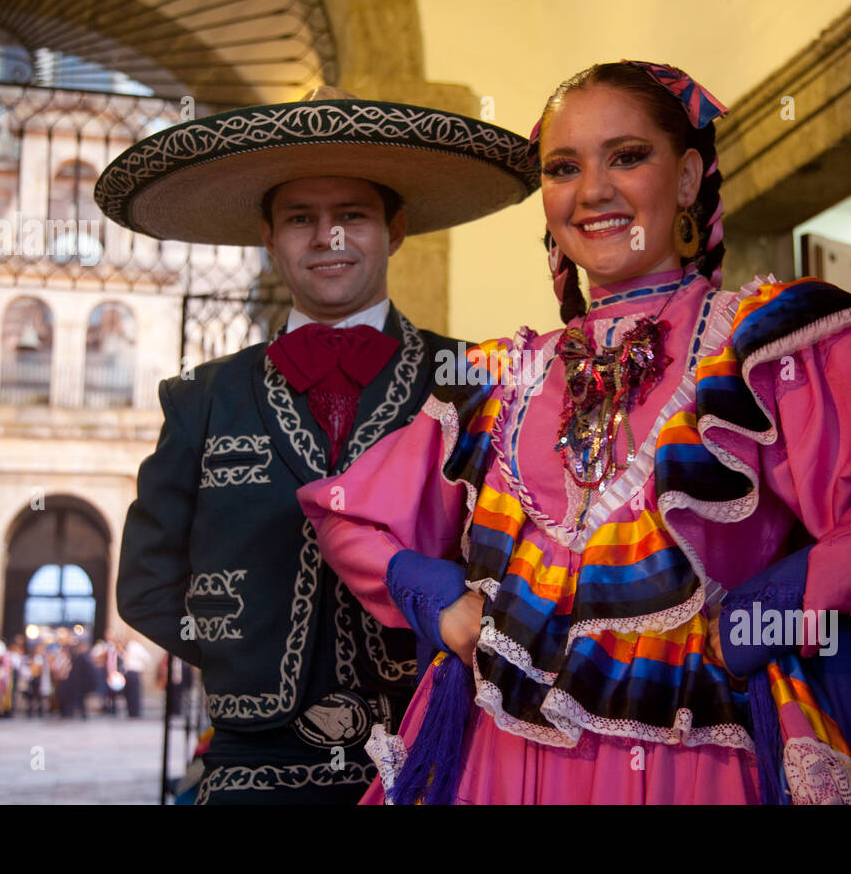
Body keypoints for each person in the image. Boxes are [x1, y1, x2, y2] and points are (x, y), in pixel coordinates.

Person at [299, 60, 851, 804]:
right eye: (563, 167)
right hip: (499, 763)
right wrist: (435, 595)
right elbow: (345, 514)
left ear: (687, 178)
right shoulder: (498, 378)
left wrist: (795, 592)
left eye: (626, 156)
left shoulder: (761, 344)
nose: (592, 192)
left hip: (698, 760)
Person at [99, 85, 539, 804]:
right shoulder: (201, 397)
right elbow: (146, 585)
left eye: (352, 216)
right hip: (253, 766)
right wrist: (244, 658)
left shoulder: (478, 379)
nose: (328, 238)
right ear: (267, 235)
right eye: (301, 218)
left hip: (433, 742)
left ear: (396, 229)